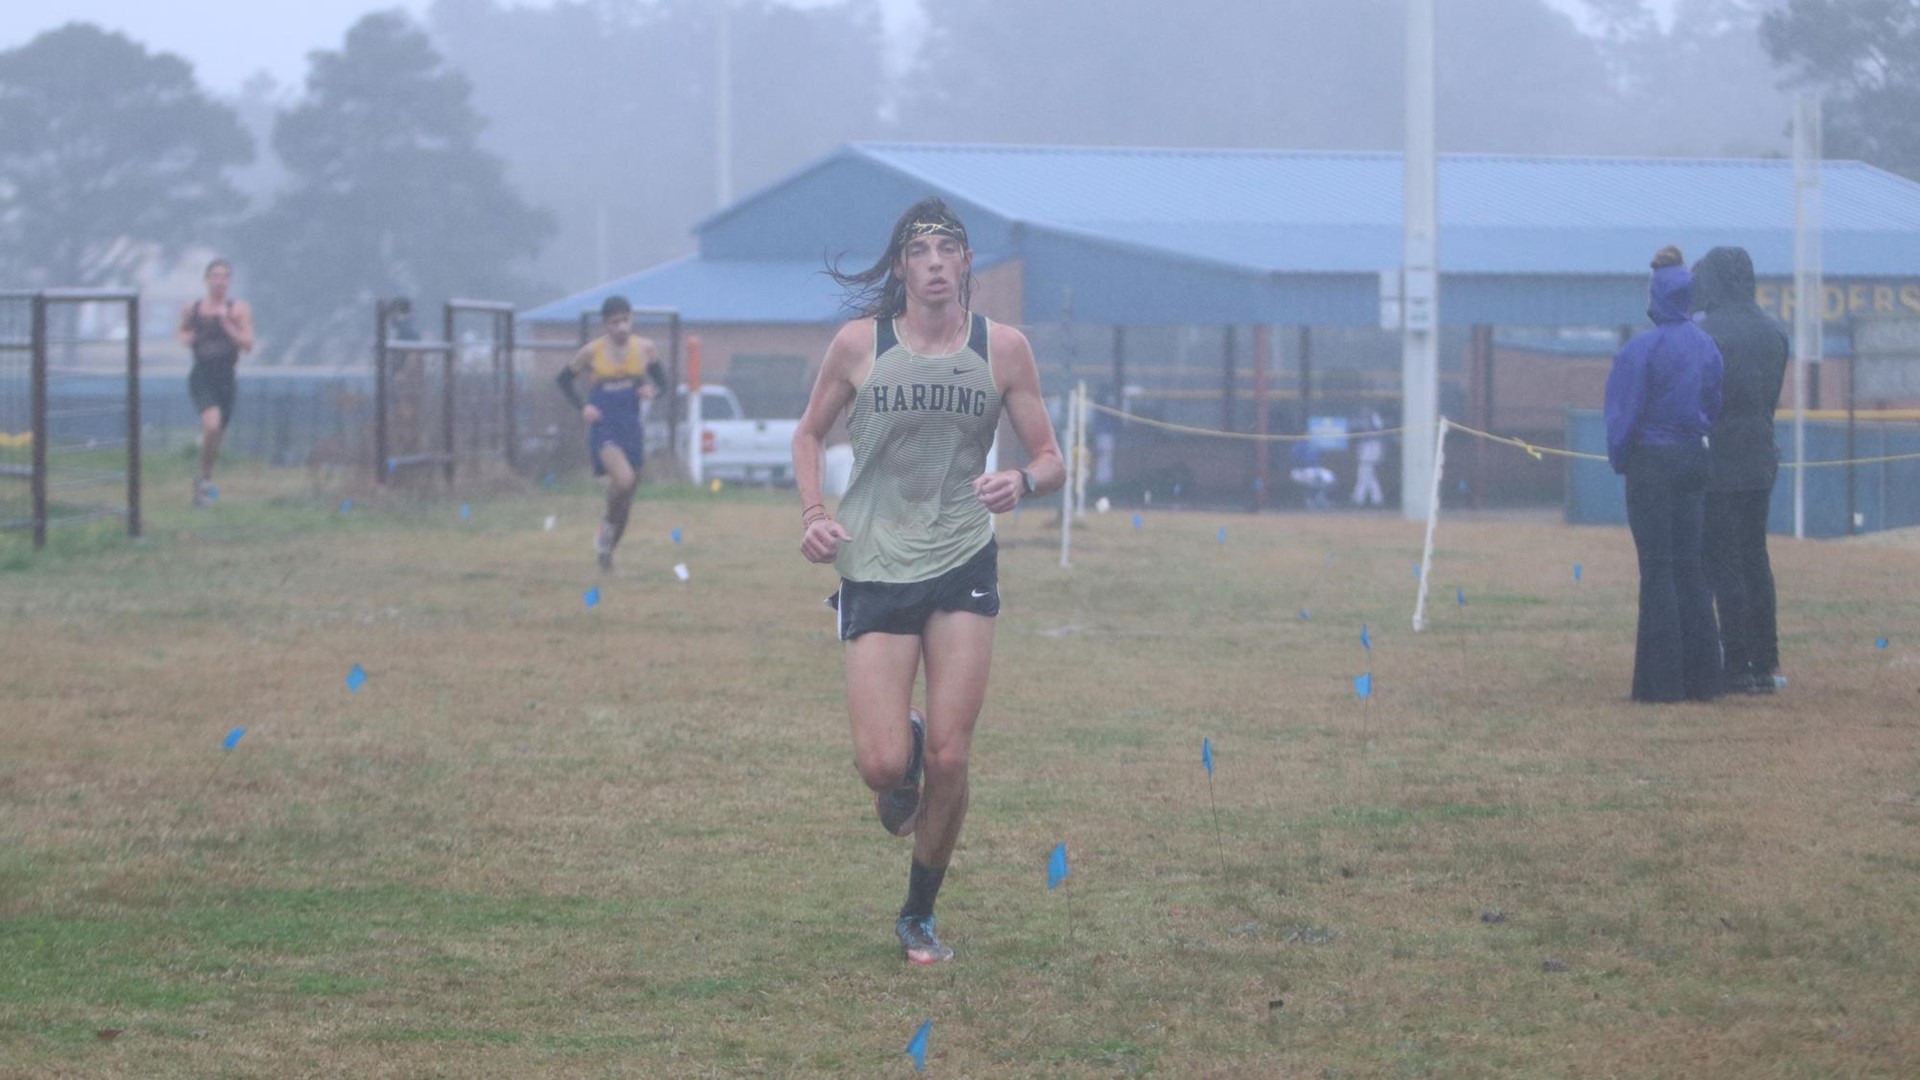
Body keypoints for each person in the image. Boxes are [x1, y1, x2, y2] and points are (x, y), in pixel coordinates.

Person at [791, 197, 1065, 966]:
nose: (937, 262)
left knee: (952, 758)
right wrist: (813, 511)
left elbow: (1051, 458)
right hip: (874, 562)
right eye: (923, 251)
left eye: (951, 248)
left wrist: (1023, 480)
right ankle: (901, 742)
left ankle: (918, 914)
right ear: (903, 266)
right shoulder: (859, 345)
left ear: (968, 263)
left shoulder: (1003, 349)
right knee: (885, 768)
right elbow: (809, 433)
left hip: (961, 559)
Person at [1605, 246, 1724, 703]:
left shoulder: (1641, 349)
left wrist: (1623, 458)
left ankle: (1662, 683)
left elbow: (1623, 414)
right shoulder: (1706, 344)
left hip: (1652, 460)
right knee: (1690, 565)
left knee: (1656, 569)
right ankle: (1704, 678)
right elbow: (1714, 401)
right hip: (1694, 455)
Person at [1692, 247, 1790, 695]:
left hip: (1720, 459)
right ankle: (1766, 661)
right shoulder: (1774, 332)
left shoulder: (1707, 334)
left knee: (1723, 561)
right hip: (1761, 456)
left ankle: (1735, 664)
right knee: (1756, 558)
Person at [556, 296, 664, 572]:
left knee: (627, 497)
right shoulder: (591, 352)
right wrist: (584, 406)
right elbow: (563, 380)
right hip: (604, 424)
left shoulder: (645, 348)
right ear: (605, 325)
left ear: (632, 320)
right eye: (615, 322)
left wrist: (653, 391)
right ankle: (606, 524)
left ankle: (607, 552)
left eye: (625, 320)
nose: (621, 327)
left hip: (631, 424)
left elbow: (662, 381)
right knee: (624, 479)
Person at [176, 258, 255, 507]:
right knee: (211, 425)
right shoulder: (194, 308)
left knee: (217, 434)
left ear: (230, 281)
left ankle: (204, 479)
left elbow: (248, 345)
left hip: (226, 378)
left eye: (224, 276)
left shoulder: (238, 309)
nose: (219, 281)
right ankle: (203, 479)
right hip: (202, 375)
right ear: (206, 280)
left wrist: (226, 324)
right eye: (215, 276)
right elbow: (182, 333)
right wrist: (190, 337)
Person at [1289, 436, 1335, 510]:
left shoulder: (1315, 444)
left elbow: (1321, 458)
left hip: (1315, 469)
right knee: (1314, 479)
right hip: (1299, 471)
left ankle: (1322, 499)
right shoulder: (1299, 445)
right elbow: (1295, 460)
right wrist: (1303, 468)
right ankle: (1311, 499)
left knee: (1331, 478)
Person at [1351, 410, 1386, 507]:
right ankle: (1376, 499)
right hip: (1367, 456)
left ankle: (1359, 499)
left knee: (1363, 477)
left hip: (1368, 456)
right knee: (1370, 478)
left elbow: (1376, 431)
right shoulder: (1370, 435)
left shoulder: (1374, 436)